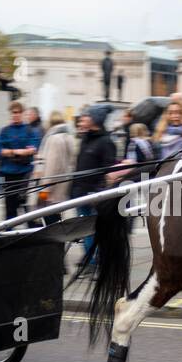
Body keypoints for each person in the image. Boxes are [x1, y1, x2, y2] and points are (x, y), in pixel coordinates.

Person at [70, 106, 117, 274]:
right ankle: (90, 260)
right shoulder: (85, 138)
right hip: (80, 192)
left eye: (85, 116)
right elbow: (79, 166)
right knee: (84, 230)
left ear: (95, 120)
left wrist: (99, 192)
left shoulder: (106, 142)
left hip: (94, 194)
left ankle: (96, 262)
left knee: (94, 231)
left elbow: (108, 170)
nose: (81, 119)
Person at [0, 101, 42, 219]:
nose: (16, 115)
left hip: (25, 173)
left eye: (18, 112)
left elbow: (33, 148)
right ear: (10, 114)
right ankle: (9, 232)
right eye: (13, 112)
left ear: (22, 113)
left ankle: (31, 232)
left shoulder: (30, 130)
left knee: (26, 206)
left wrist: (9, 152)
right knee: (9, 206)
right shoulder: (4, 131)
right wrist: (16, 152)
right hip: (8, 173)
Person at [34, 111, 75, 223]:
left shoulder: (54, 139)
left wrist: (44, 192)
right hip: (63, 186)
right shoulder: (70, 137)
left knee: (49, 222)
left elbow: (51, 168)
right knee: (58, 219)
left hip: (51, 190)